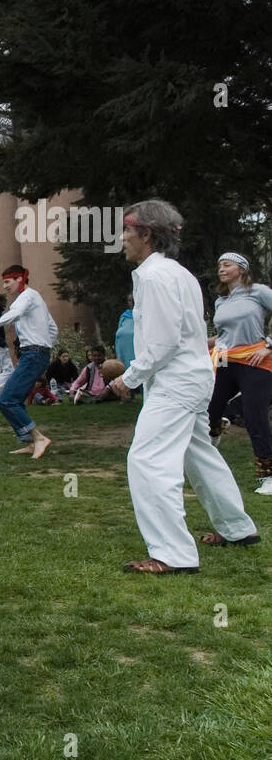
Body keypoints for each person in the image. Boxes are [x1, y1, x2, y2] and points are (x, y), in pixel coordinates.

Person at [107, 200, 259, 573]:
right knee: (201, 456)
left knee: (149, 461)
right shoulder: (178, 273)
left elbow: (162, 342)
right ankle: (238, 528)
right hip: (192, 379)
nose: (123, 238)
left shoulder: (155, 277)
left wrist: (128, 379)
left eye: (128, 231)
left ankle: (173, 554)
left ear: (146, 234)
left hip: (175, 382)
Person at [0, 265, 57, 458]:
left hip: (33, 354)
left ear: (20, 279)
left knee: (7, 400)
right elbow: (53, 328)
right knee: (15, 399)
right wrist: (45, 347)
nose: (4, 286)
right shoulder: (35, 299)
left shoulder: (28, 297)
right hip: (35, 354)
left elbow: (14, 314)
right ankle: (29, 442)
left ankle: (39, 438)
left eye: (7, 281)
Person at [207, 252, 272, 494]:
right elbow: (224, 335)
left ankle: (269, 475)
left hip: (255, 358)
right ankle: (213, 437)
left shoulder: (258, 291)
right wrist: (204, 343)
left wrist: (268, 346)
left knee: (255, 416)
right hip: (225, 358)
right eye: (219, 265)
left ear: (241, 269)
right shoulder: (221, 301)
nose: (221, 269)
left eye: (227, 265)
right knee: (209, 408)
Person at [115, 295, 136, 370]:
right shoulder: (124, 316)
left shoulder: (144, 315)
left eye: (134, 299)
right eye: (130, 300)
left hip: (136, 353)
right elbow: (118, 335)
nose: (132, 302)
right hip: (122, 354)